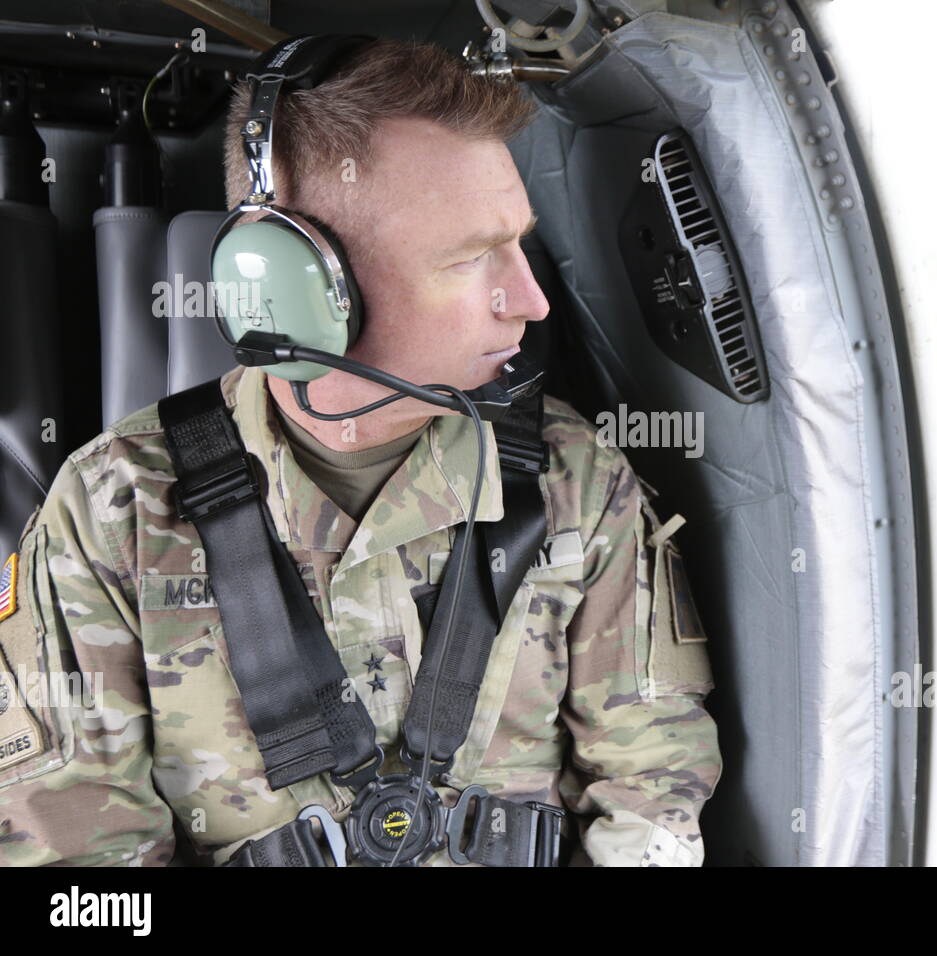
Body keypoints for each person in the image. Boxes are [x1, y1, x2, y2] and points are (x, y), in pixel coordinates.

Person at [0, 38, 721, 867]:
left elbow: (654, 792)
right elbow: (76, 868)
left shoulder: (578, 482)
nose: (526, 301)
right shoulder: (112, 511)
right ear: (297, 292)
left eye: (518, 244)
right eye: (465, 259)